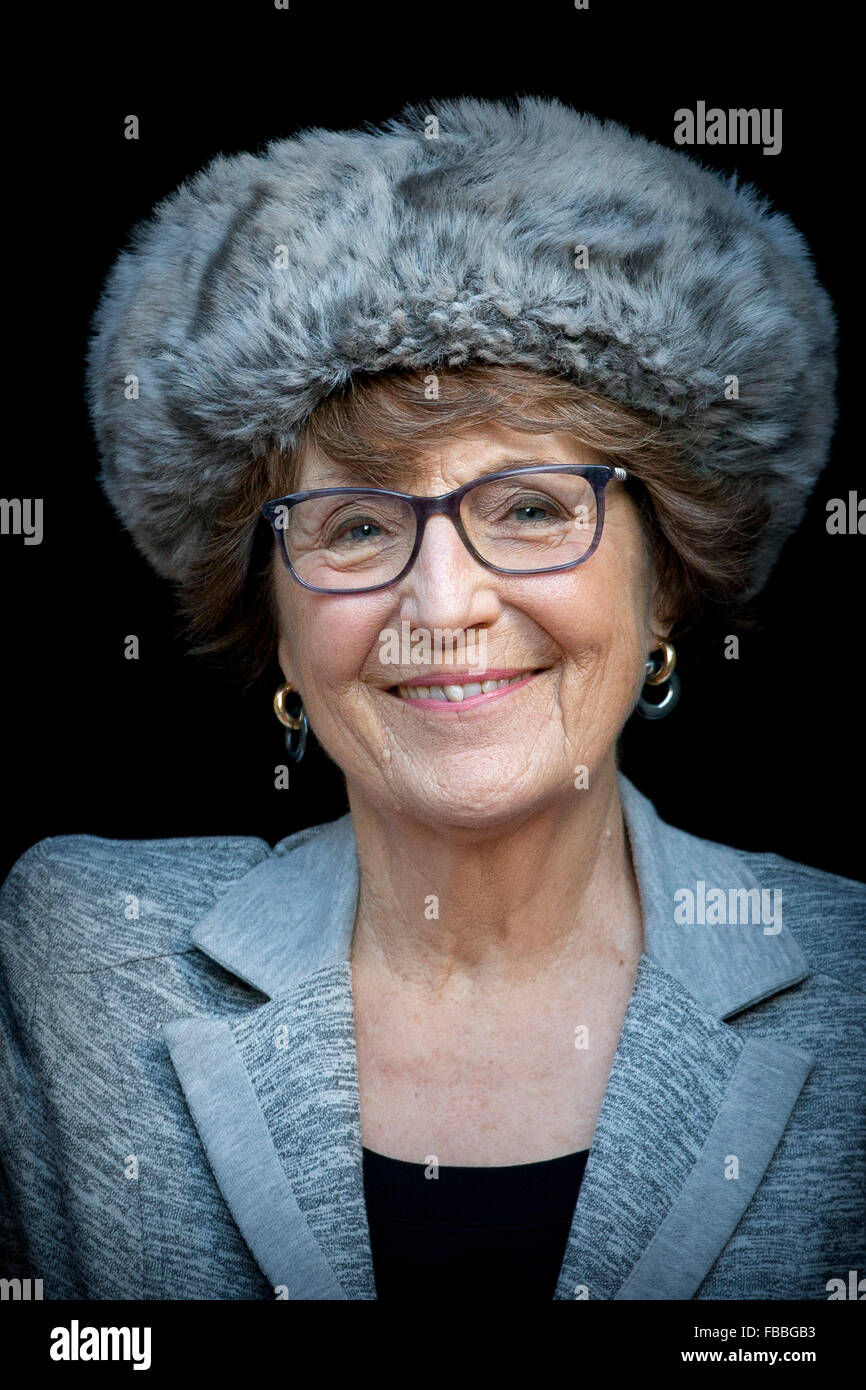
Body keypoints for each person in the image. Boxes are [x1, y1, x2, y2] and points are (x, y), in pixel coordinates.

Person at [1, 96, 862, 1301]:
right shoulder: (88, 955)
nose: (442, 602)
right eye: (355, 524)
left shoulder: (853, 975)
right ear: (280, 627)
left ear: (665, 580)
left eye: (527, 508)